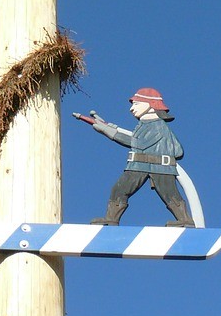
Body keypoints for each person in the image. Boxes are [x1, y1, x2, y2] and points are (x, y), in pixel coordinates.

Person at [82, 87, 194, 227]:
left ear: (150, 105)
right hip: (140, 164)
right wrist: (109, 127)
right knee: (120, 189)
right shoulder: (145, 124)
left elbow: (137, 143)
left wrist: (108, 132)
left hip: (158, 166)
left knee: (169, 193)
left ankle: (185, 220)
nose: (132, 109)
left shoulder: (157, 125)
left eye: (136, 104)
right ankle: (111, 219)